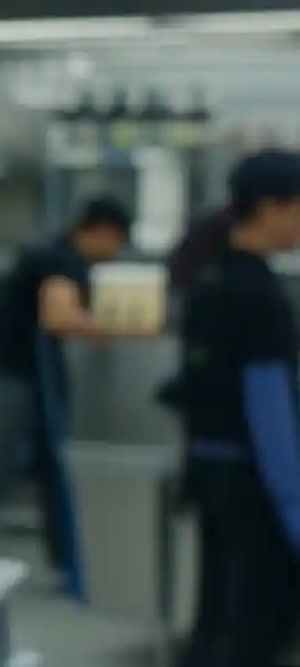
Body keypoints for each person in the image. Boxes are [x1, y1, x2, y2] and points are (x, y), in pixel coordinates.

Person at [0, 197, 132, 596]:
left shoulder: (52, 254)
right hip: (6, 381)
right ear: (102, 231)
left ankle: (60, 561)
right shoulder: (57, 261)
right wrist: (108, 328)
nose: (116, 253)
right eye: (117, 241)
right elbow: (60, 317)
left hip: (10, 379)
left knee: (42, 473)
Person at [179, 150, 300, 667]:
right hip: (253, 481)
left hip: (209, 472)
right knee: (255, 622)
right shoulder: (258, 294)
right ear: (272, 207)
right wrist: (295, 510)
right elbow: (269, 410)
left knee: (218, 611)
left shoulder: (208, 276)